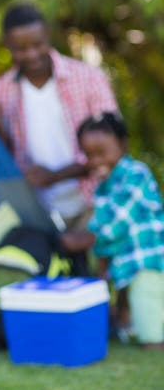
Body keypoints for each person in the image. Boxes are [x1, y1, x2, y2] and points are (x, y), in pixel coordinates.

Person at [0, 3, 119, 229]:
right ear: (8, 46)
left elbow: (115, 147)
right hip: (41, 212)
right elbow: (0, 160)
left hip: (95, 201)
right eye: (21, 49)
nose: (32, 54)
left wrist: (55, 176)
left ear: (48, 35)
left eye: (38, 44)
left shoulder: (88, 77)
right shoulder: (0, 91)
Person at [61, 112, 164, 349]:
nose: (96, 161)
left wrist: (84, 238)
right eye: (89, 155)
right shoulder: (103, 189)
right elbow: (105, 243)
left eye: (102, 152)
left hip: (149, 262)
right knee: (129, 313)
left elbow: (117, 223)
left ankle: (153, 339)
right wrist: (101, 274)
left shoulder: (135, 173)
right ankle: (126, 323)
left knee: (151, 334)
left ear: (123, 145)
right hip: (126, 265)